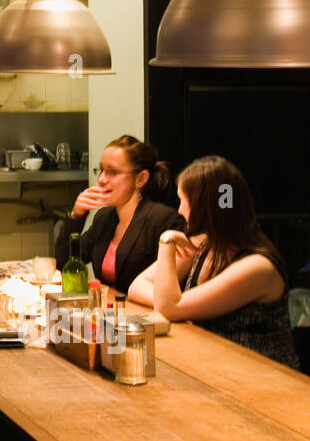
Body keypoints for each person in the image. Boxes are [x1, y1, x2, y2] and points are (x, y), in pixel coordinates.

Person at [126, 156, 300, 369]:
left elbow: (169, 306)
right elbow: (136, 286)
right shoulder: (204, 243)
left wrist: (166, 241)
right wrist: (170, 301)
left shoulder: (258, 267)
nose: (179, 210)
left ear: (203, 205)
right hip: (216, 371)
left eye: (183, 199)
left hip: (265, 383)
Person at [56, 135, 183, 294]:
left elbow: (167, 288)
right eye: (101, 170)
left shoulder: (164, 220)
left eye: (113, 172)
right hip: (110, 313)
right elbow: (63, 263)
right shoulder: (104, 218)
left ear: (140, 179)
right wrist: (76, 216)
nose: (101, 179)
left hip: (145, 314)